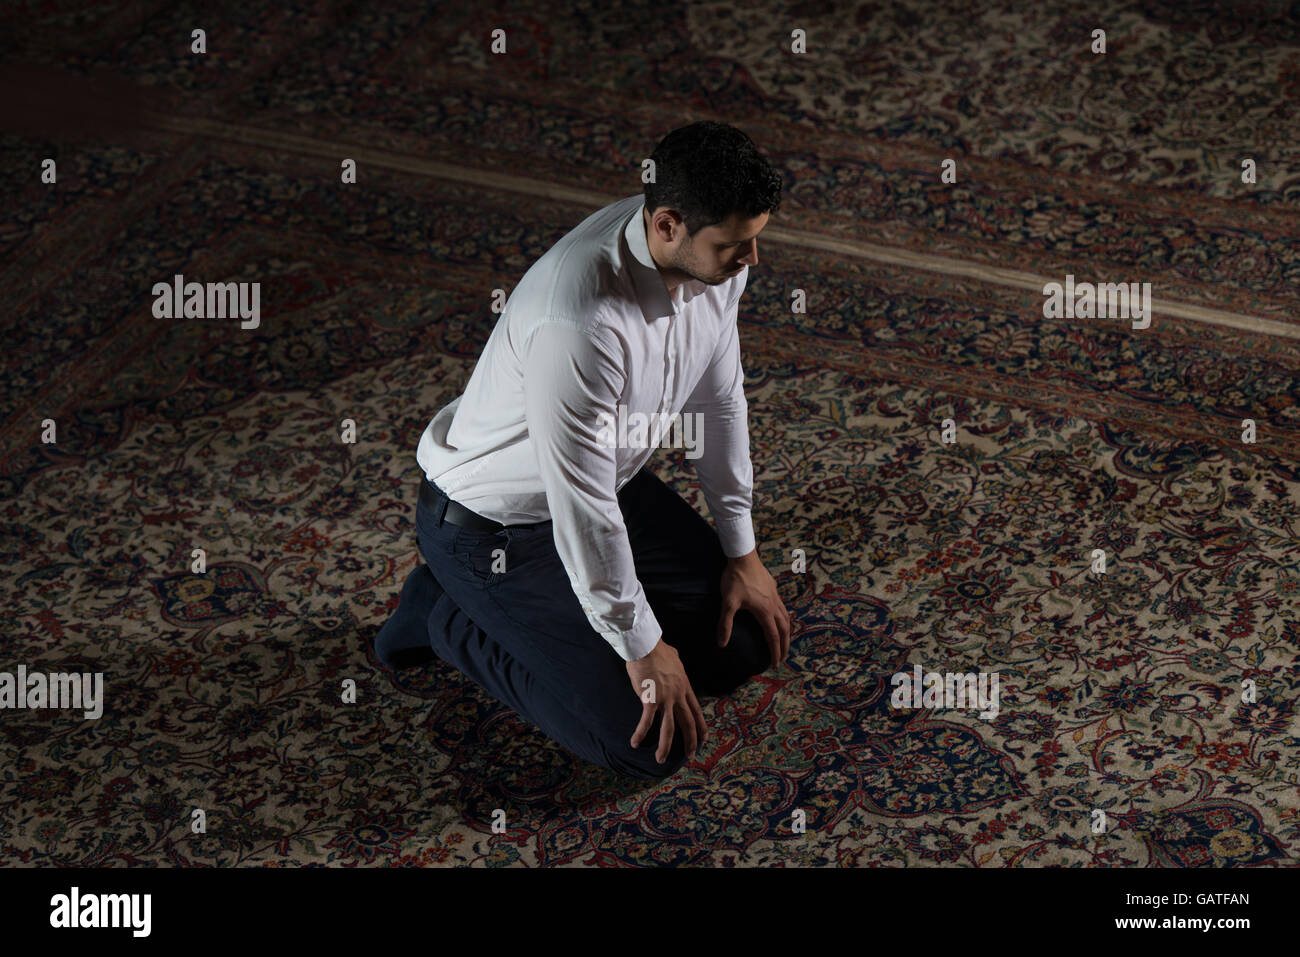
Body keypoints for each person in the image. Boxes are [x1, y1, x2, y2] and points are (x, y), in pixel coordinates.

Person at [374, 121, 792, 779]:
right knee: (646, 742)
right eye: (736, 245)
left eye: (756, 237)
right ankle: (442, 613)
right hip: (494, 529)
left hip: (605, 478)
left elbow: (720, 403)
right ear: (666, 227)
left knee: (741, 643)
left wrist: (744, 552)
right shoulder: (582, 319)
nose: (754, 258)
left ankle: (544, 615)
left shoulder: (710, 259)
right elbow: (582, 504)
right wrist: (643, 644)